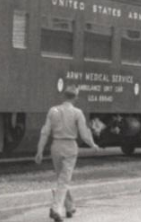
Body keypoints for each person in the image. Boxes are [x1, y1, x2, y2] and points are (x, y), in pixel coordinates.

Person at [35, 86, 101, 221]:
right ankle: (56, 209)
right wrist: (93, 145)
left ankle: (70, 207)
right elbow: (84, 134)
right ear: (75, 98)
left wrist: (40, 150)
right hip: (70, 146)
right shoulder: (78, 113)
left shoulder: (53, 110)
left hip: (56, 147)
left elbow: (45, 132)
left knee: (62, 178)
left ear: (63, 96)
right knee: (64, 180)